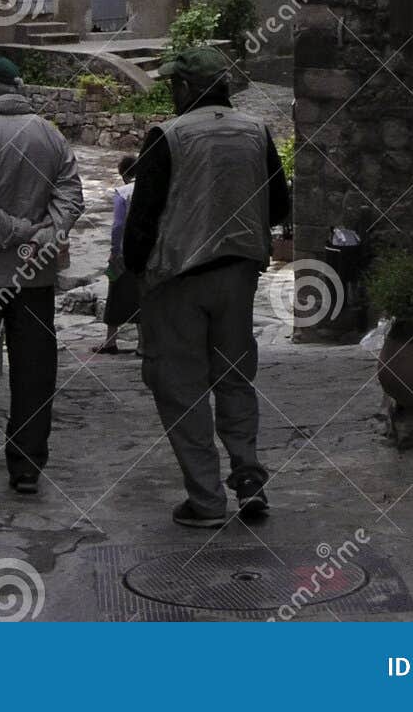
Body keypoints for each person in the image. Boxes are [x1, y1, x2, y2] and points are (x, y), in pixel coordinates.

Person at [123, 46, 290, 528]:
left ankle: (206, 500)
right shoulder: (256, 131)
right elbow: (279, 205)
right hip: (238, 274)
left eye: (174, 85)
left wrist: (135, 273)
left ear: (185, 88)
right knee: (235, 379)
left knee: (181, 387)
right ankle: (249, 476)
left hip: (179, 277)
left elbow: (143, 218)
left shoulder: (168, 137)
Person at [0, 53, 84, 495]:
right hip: (33, 277)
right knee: (34, 371)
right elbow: (71, 194)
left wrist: (17, 232)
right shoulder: (49, 133)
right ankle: (26, 467)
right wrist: (44, 235)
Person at [94, 154, 141, 354]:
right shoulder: (151, 188)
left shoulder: (123, 193)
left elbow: (118, 225)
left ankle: (111, 341)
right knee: (142, 294)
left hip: (123, 252)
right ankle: (143, 343)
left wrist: (114, 251)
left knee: (114, 293)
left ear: (123, 174)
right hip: (146, 250)